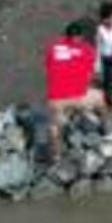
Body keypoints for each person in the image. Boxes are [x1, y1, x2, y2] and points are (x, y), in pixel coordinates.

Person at [37, 21, 104, 161]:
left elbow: (48, 68)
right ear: (80, 36)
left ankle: (56, 154)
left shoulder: (53, 47)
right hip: (77, 97)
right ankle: (105, 126)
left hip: (55, 99)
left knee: (55, 124)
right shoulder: (87, 49)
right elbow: (91, 75)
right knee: (99, 97)